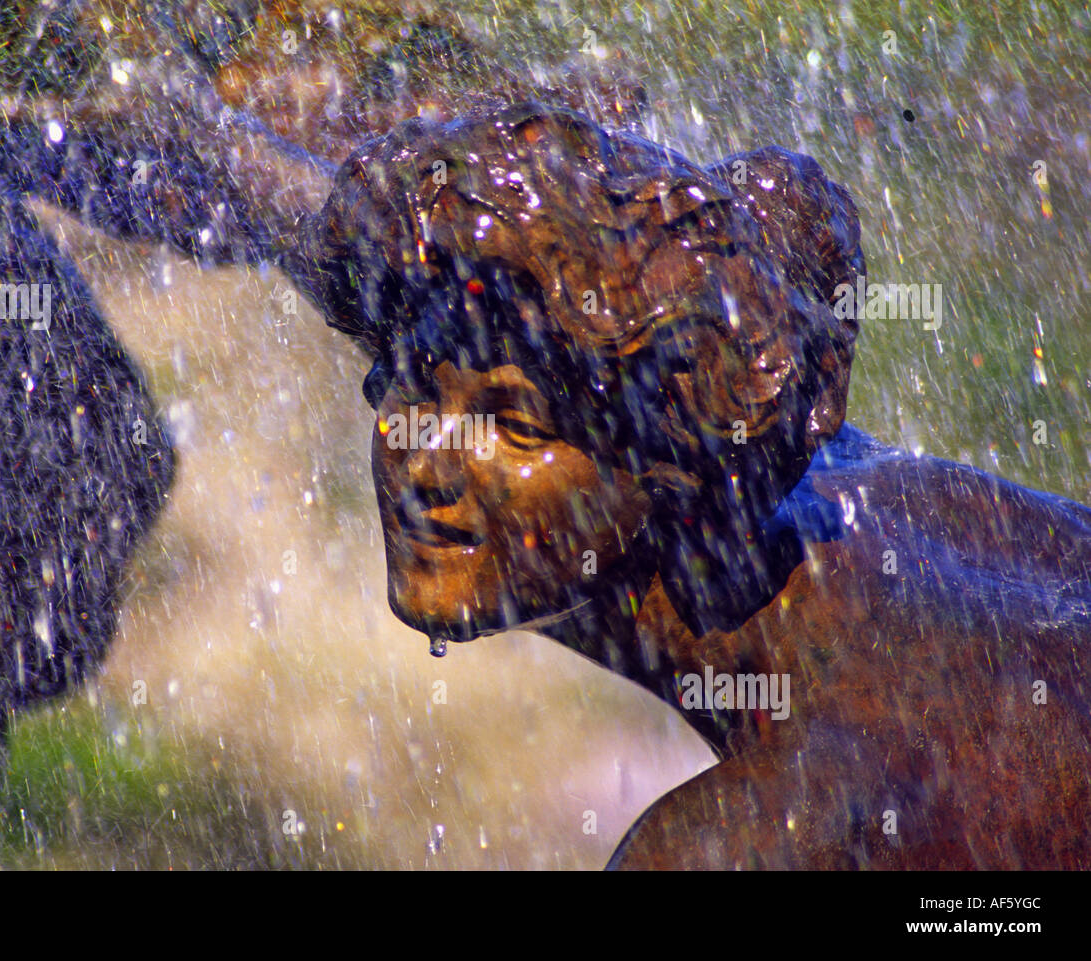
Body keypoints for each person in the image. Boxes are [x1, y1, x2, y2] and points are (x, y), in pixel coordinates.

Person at [297, 102, 1091, 868]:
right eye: (408, 387)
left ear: (670, 474)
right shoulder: (797, 469)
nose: (427, 463)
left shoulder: (777, 823)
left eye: (519, 425)